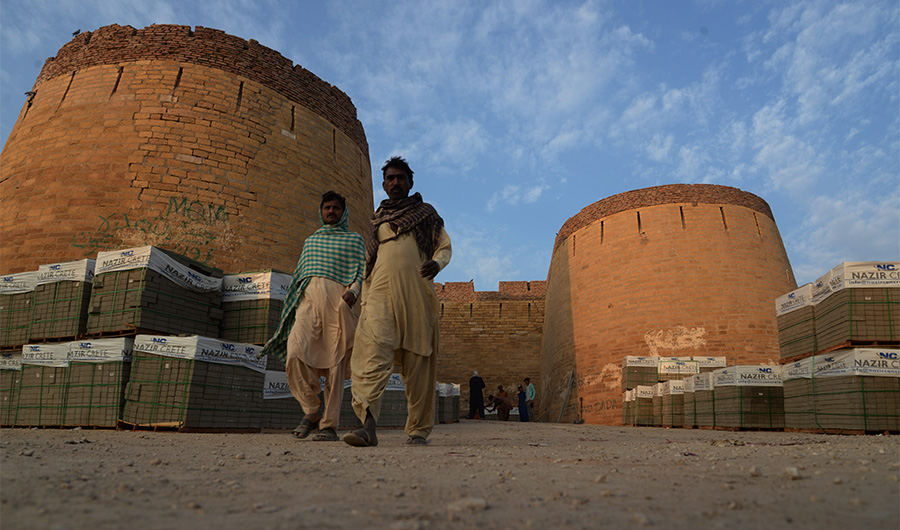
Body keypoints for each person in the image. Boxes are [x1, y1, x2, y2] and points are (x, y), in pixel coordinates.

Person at [344, 156, 452, 447]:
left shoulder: (426, 215)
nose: (395, 182)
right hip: (379, 296)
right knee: (371, 357)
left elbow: (443, 246)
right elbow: (367, 264)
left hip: (417, 295)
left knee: (419, 363)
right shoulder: (376, 220)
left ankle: (418, 429)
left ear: (410, 182)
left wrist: (437, 264)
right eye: (390, 178)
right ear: (383, 184)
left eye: (400, 178)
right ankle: (368, 426)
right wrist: (355, 290)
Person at [259, 191, 365, 442]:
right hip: (308, 305)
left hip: (338, 305)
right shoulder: (311, 242)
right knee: (295, 353)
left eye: (336, 208)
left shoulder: (354, 240)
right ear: (321, 211)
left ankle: (329, 425)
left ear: (344, 213)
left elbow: (360, 272)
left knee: (336, 366)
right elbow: (299, 277)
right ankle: (311, 409)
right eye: (327, 207)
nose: (331, 211)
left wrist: (353, 293)